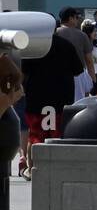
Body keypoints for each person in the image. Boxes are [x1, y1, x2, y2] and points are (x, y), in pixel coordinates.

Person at [20, 27, 83, 176]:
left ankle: (32, 169)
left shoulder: (34, 46)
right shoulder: (66, 45)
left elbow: (23, 72)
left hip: (36, 98)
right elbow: (78, 70)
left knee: (35, 135)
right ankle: (58, 169)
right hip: (61, 100)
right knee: (57, 136)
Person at [56, 8, 95, 102]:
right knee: (78, 106)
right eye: (76, 17)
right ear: (71, 18)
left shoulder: (54, 33)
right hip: (78, 76)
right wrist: (93, 80)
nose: (78, 20)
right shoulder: (82, 35)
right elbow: (89, 61)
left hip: (56, 74)